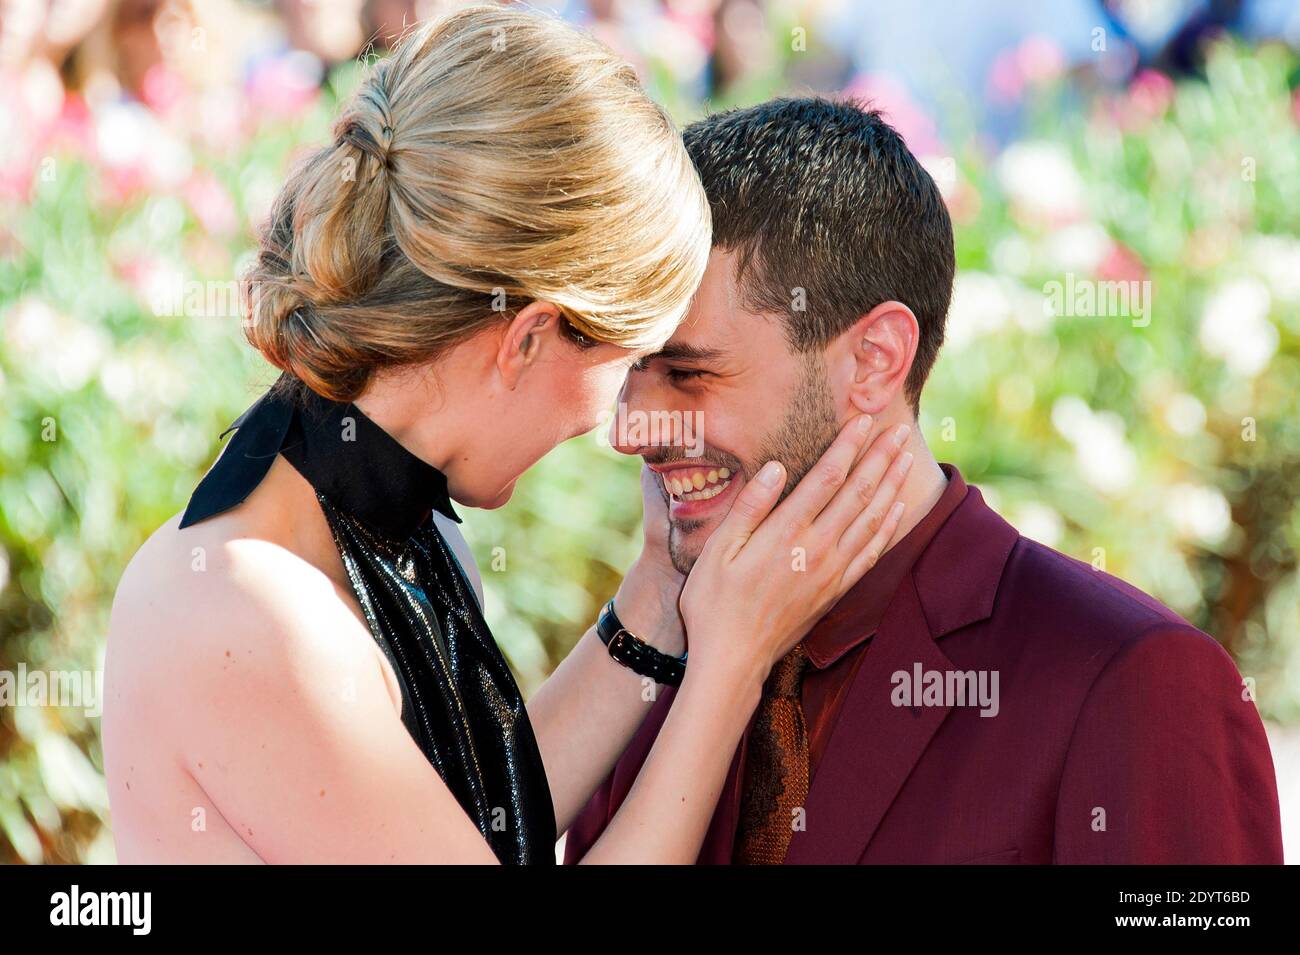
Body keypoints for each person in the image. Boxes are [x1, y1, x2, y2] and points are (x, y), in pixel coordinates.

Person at [102, 7, 910, 865]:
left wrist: (657, 590)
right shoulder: (258, 613)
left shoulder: (382, 516)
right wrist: (729, 667)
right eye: (628, 358)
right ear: (525, 337)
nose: (622, 427)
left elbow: (476, 823)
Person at [565, 97, 1284, 864]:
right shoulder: (643, 670)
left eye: (687, 372)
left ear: (876, 358)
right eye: (632, 367)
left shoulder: (1131, 681)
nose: (630, 428)